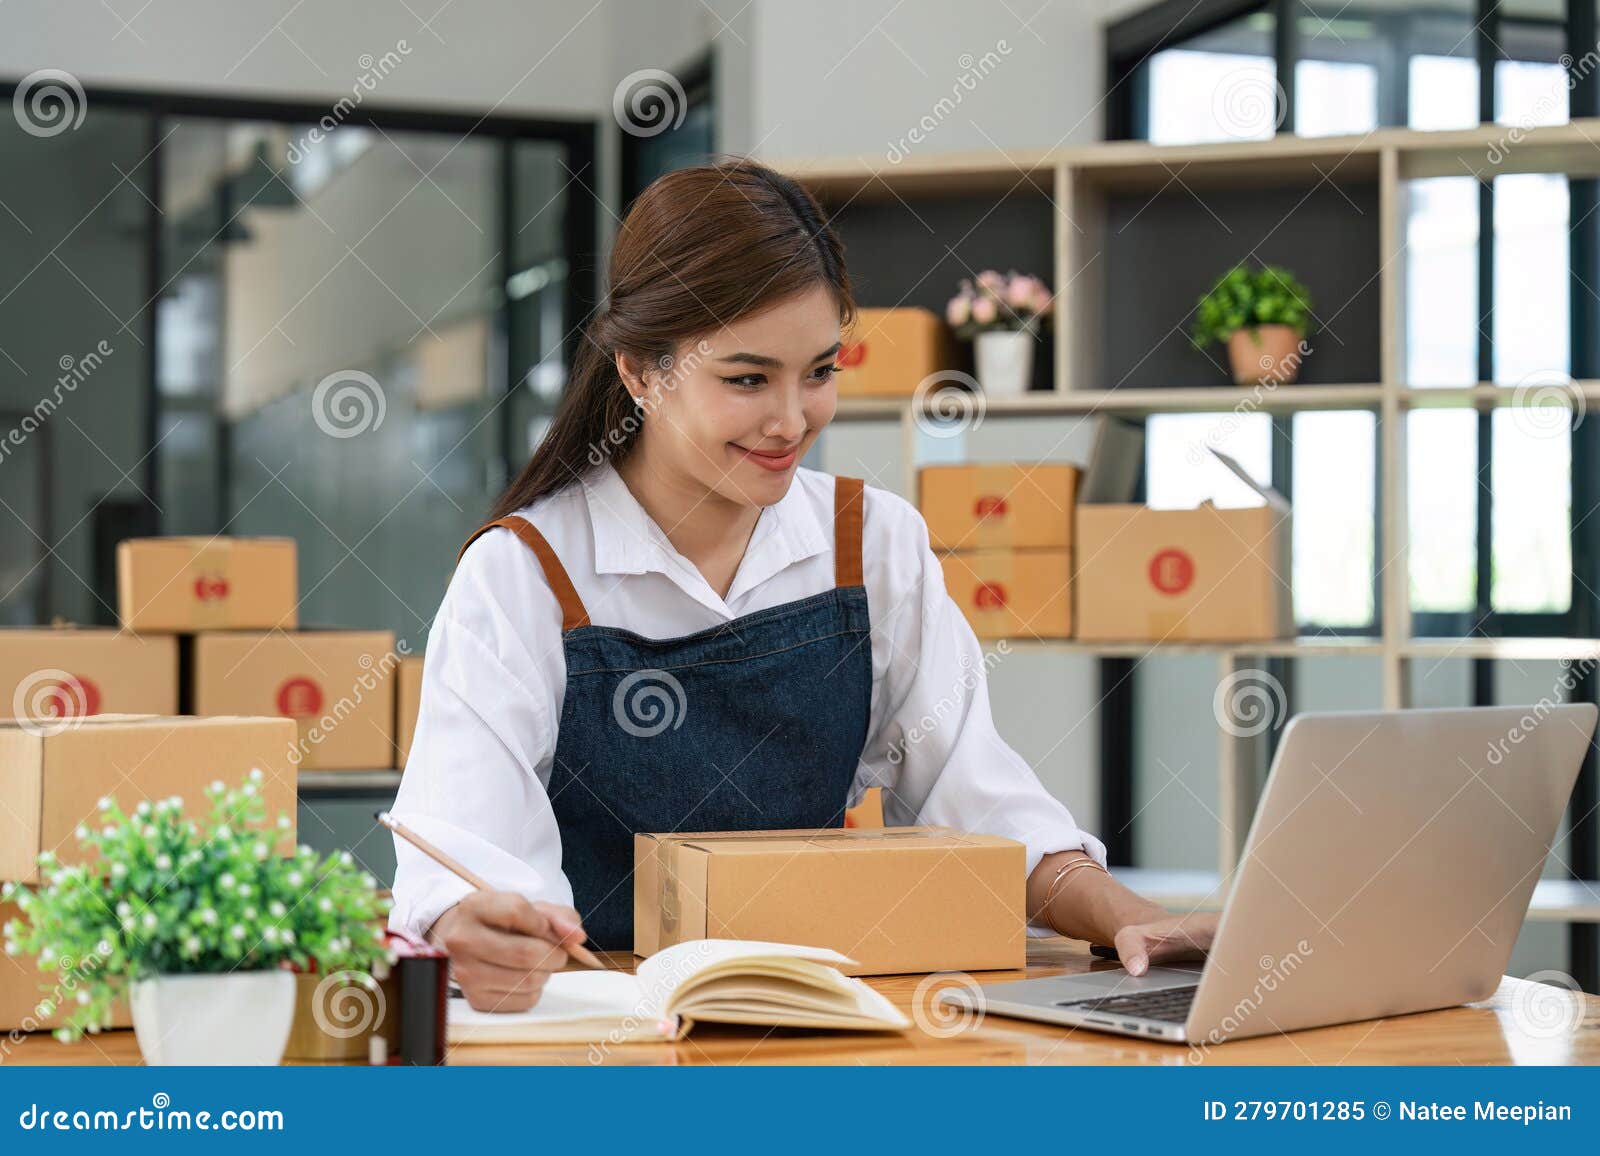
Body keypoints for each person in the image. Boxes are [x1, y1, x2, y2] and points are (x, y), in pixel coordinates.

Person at [388, 157, 1217, 1012]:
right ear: (640, 372)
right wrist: (468, 925)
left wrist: (1135, 919)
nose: (792, 422)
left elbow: (979, 799)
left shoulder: (872, 543)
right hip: (603, 1034)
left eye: (819, 372)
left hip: (816, 1017)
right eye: (747, 379)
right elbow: (466, 849)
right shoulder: (524, 573)